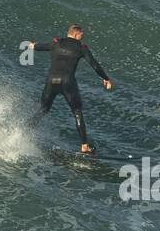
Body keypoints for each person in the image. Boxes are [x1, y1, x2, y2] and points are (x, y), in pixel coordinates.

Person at [27, 24, 113, 154]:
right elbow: (94, 64)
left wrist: (32, 45)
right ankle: (84, 146)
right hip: (68, 82)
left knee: (43, 109)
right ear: (76, 34)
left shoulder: (56, 43)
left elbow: (36, 46)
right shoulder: (81, 48)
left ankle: (25, 129)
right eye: (81, 36)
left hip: (51, 81)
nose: (81, 38)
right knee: (77, 112)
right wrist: (105, 78)